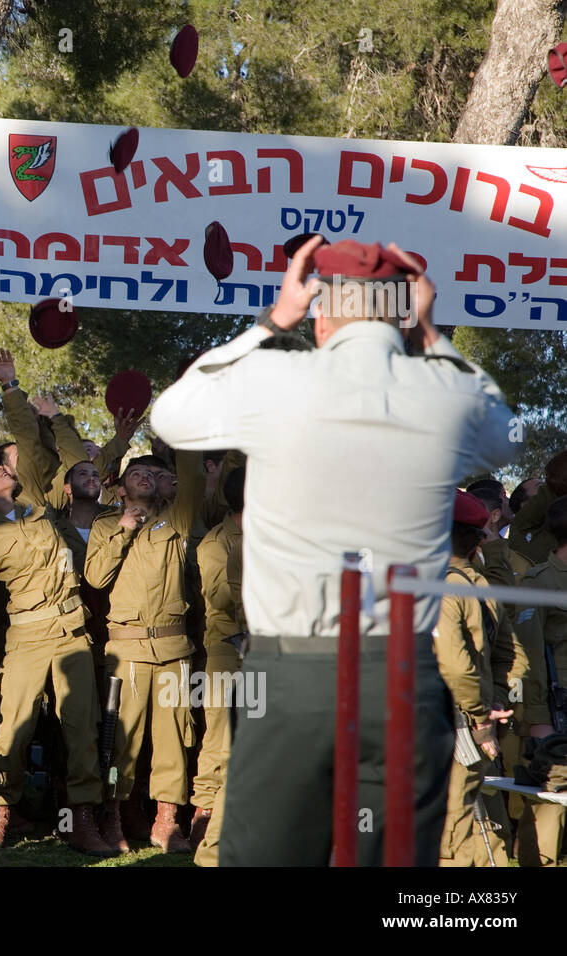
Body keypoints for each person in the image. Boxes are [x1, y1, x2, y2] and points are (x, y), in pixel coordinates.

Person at [150, 236, 520, 865]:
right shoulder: (443, 393)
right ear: (404, 313)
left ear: (320, 313)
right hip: (405, 675)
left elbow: (172, 416)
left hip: (295, 674)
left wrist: (271, 322)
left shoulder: (277, 375)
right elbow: (506, 435)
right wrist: (431, 335)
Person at [0, 349, 110, 857]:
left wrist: (11, 387)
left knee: (82, 729)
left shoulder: (40, 506)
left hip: (70, 632)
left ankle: (83, 817)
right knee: (12, 733)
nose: (6, 469)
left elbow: (25, 437)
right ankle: (2, 812)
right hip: (24, 637)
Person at [85, 444, 206, 855]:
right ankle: (114, 814)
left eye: (153, 474)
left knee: (174, 736)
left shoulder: (178, 519)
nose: (145, 477)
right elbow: (97, 578)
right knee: (123, 738)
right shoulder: (105, 525)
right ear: (119, 488)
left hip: (174, 647)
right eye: (136, 473)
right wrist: (124, 527)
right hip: (128, 647)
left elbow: (190, 480)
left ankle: (166, 819)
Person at [434, 491, 512, 866]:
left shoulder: (439, 586)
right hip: (465, 716)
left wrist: (481, 714)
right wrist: (490, 704)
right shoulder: (476, 585)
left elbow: (458, 665)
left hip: (452, 719)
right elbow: (506, 656)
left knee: (456, 826)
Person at [189, 464, 246, 866]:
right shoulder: (216, 544)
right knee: (222, 737)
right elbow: (223, 599)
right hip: (228, 646)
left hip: (267, 644)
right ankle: (205, 815)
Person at [510, 494, 567, 867]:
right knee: (550, 808)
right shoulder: (540, 582)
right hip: (557, 706)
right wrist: (537, 718)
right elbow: (528, 655)